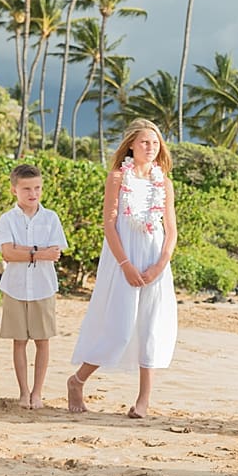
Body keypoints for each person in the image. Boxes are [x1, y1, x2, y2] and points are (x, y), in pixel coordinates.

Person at [67, 119, 178, 419]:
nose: (150, 148)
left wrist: (158, 266)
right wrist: (126, 265)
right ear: (131, 144)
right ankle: (77, 381)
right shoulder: (118, 177)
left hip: (154, 262)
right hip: (123, 261)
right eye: (144, 142)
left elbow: (171, 231)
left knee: (150, 328)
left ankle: (143, 400)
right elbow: (109, 225)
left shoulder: (163, 183)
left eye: (155, 143)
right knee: (119, 328)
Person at [0, 163, 69, 409]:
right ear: (14, 190)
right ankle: (23, 392)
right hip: (14, 287)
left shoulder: (51, 218)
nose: (33, 193)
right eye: (27, 188)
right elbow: (7, 253)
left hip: (43, 287)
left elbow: (56, 253)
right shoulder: (7, 220)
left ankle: (37, 393)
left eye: (37, 188)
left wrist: (24, 251)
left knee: (42, 340)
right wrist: (39, 252)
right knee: (19, 341)